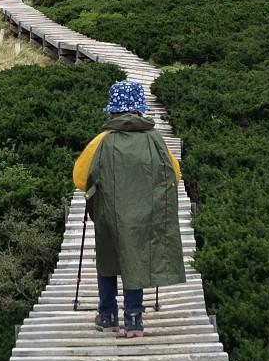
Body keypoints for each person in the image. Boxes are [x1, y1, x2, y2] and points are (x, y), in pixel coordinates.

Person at [73, 79, 186, 337]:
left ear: (112, 110)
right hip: (145, 214)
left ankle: (108, 316)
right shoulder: (155, 139)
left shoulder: (102, 141)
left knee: (107, 260)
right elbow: (175, 175)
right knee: (136, 259)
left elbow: (79, 178)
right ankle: (134, 319)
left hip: (108, 214)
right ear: (140, 109)